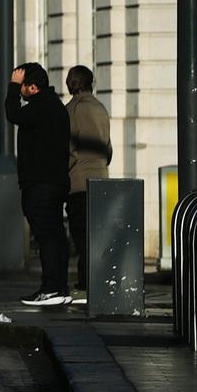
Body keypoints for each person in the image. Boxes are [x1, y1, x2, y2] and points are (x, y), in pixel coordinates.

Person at [6, 63, 72, 306]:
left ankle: (52, 288)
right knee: (54, 235)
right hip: (54, 182)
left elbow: (12, 114)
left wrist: (13, 88)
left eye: (22, 84)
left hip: (40, 184)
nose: (19, 89)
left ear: (32, 87)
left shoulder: (41, 107)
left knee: (46, 237)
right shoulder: (54, 106)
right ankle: (60, 288)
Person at [64, 65, 112, 299]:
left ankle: (86, 283)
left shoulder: (71, 110)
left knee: (82, 237)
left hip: (79, 183)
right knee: (99, 236)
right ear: (91, 82)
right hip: (102, 180)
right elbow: (108, 148)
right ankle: (100, 281)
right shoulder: (101, 108)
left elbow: (68, 150)